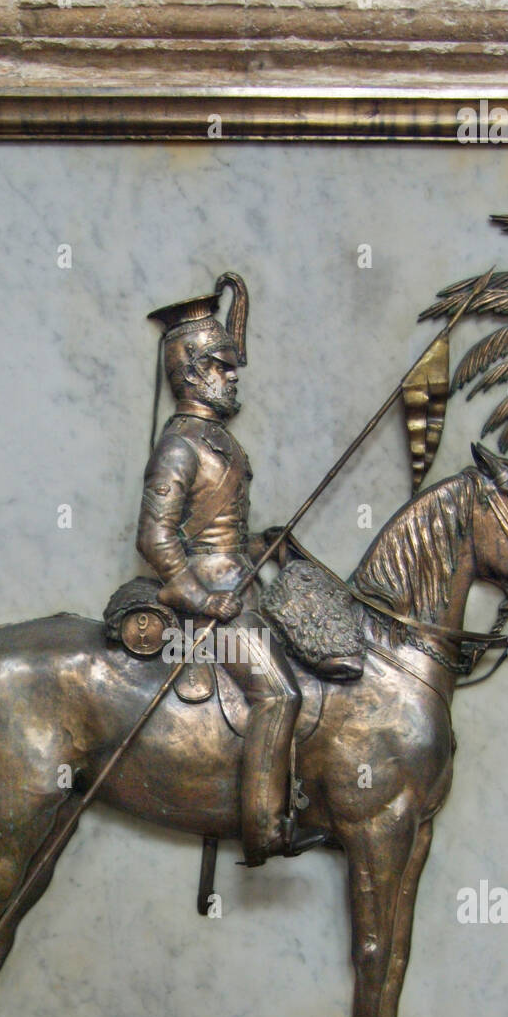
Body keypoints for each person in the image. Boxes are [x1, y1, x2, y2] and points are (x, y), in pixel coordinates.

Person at [137, 271, 323, 866]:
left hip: (242, 581)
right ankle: (265, 824)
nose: (233, 373)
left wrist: (269, 543)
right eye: (221, 364)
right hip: (215, 595)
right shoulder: (180, 446)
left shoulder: (218, 439)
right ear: (191, 371)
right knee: (278, 694)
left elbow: (223, 523)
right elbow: (155, 535)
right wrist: (194, 594)